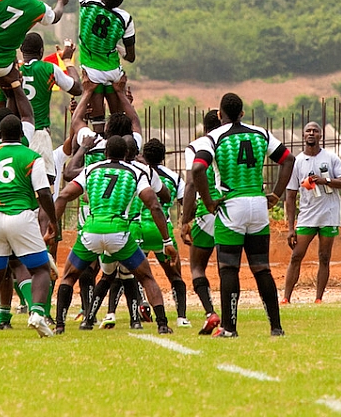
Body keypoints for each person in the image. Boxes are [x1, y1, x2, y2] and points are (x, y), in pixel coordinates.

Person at [191, 92, 294, 338]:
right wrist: (276, 194)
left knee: (228, 268)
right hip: (258, 205)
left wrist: (208, 202)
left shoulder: (213, 137)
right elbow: (288, 159)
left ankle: (229, 328)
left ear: (219, 115)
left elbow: (197, 169)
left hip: (231, 205)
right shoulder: (260, 133)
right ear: (243, 113)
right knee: (261, 268)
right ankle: (276, 327)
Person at [53, 135, 175, 335]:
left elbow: (64, 195)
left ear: (106, 153)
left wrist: (52, 225)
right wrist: (167, 240)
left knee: (68, 277)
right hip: (119, 234)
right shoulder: (136, 172)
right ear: (127, 153)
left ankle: (59, 325)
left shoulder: (92, 169)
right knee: (146, 277)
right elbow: (154, 204)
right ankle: (162, 324)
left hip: (90, 232)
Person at [0, 114, 59, 339]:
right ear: (21, 134)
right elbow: (43, 193)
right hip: (21, 215)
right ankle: (38, 313)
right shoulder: (31, 157)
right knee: (40, 269)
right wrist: (53, 219)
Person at [0, 33, 82, 181]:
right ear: (41, 51)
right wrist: (67, 60)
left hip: (12, 139)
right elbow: (76, 88)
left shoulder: (8, 73)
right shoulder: (49, 69)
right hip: (39, 134)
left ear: (21, 49)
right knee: (44, 184)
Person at [282, 122, 341, 304]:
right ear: (303, 135)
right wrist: (290, 227)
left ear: (320, 135)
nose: (311, 133)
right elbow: (290, 195)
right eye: (308, 131)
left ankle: (318, 298)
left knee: (324, 256)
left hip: (329, 214)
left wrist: (325, 180)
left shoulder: (330, 158)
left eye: (315, 131)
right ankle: (285, 298)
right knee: (297, 255)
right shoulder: (297, 161)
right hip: (307, 215)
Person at [140, 137, 190, 327]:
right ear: (163, 157)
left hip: (141, 229)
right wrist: (185, 222)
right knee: (175, 276)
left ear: (143, 156)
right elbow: (186, 202)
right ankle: (181, 317)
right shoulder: (174, 177)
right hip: (163, 230)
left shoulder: (139, 173)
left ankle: (141, 306)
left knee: (134, 273)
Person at [181, 109, 223, 335]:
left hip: (207, 211)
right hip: (231, 208)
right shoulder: (230, 142)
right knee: (228, 266)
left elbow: (191, 183)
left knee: (197, 266)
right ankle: (230, 318)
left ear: (205, 129)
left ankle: (211, 313)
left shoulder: (197, 146)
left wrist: (185, 220)